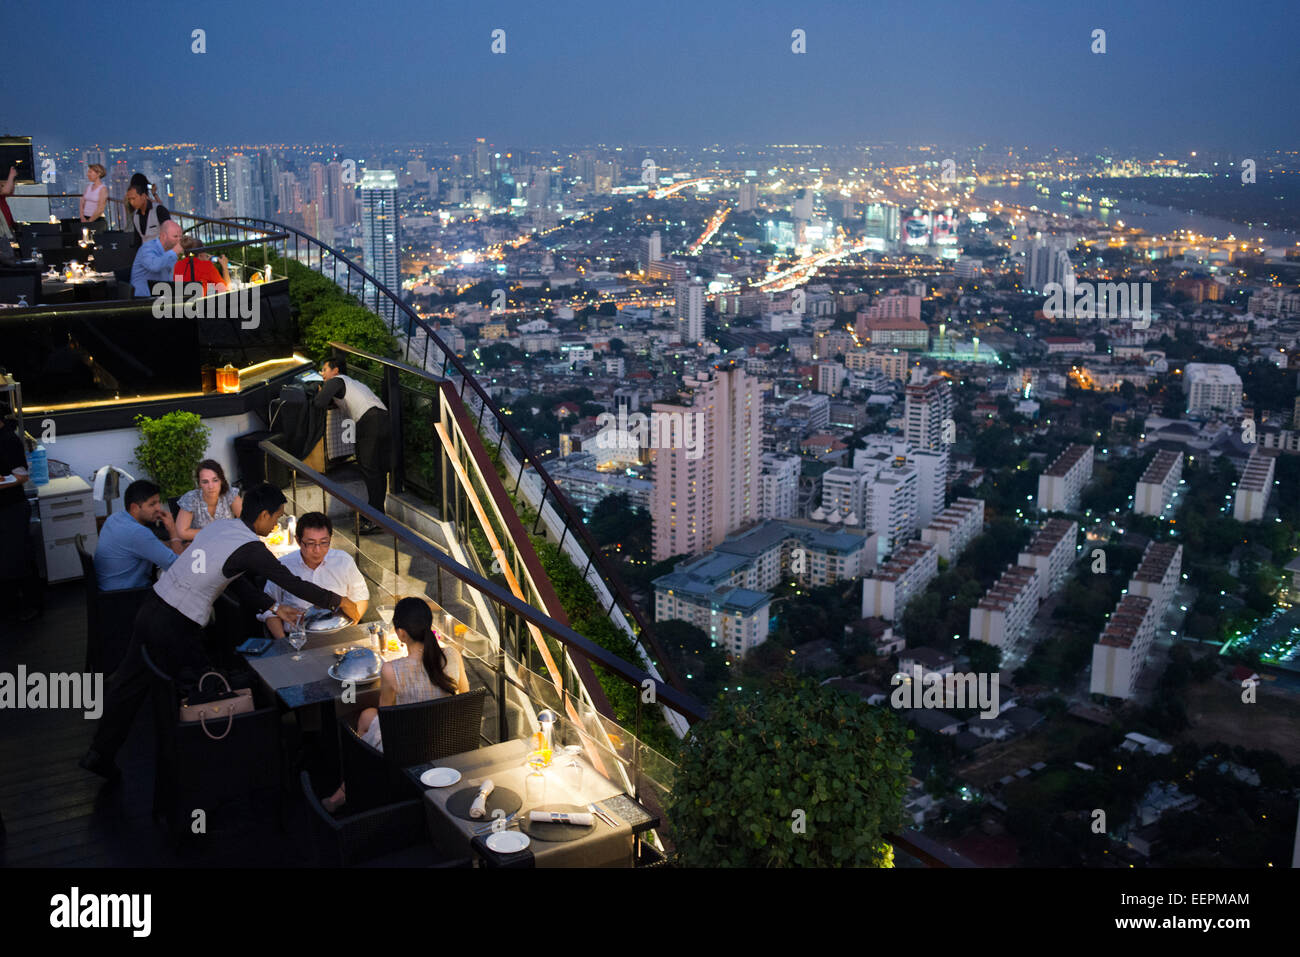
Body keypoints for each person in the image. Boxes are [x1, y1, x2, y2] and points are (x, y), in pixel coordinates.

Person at [81, 483, 363, 779]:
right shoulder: (252, 548)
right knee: (210, 690)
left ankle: (99, 752)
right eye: (277, 516)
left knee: (129, 683)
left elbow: (234, 579)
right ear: (264, 515)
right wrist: (340, 601)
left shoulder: (221, 528)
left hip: (153, 607)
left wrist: (274, 607)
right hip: (177, 623)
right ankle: (218, 760)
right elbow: (292, 582)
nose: (278, 523)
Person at [323, 597, 468, 811]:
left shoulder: (392, 670)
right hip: (447, 737)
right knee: (367, 716)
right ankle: (346, 789)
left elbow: (388, 717)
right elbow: (464, 696)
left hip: (408, 746)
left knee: (367, 718)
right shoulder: (453, 655)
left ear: (400, 634)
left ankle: (347, 789)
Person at [259, 511, 368, 638]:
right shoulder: (283, 566)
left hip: (338, 634)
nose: (317, 550)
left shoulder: (343, 560)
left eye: (324, 542)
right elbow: (269, 610)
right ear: (298, 541)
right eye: (310, 543)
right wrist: (284, 641)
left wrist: (349, 629)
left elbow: (360, 598)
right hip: (297, 636)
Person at [313, 358, 390, 533]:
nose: (322, 374)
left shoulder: (336, 381)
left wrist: (319, 391)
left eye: (324, 369)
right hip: (384, 418)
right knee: (377, 471)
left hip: (369, 421)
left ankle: (375, 518)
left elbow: (319, 402)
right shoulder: (352, 383)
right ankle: (378, 516)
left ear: (335, 370)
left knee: (369, 469)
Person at [93, 480, 185, 591]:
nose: (158, 508)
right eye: (152, 504)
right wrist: (172, 530)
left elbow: (149, 545)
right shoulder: (137, 533)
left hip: (107, 590)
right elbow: (178, 567)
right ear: (134, 508)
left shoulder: (115, 518)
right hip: (127, 596)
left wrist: (172, 544)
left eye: (158, 502)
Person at [0, 400, 38, 623]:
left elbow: (22, 476)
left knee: (16, 557)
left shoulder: (8, 441)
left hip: (12, 507)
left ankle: (28, 606)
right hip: (6, 507)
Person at [174, 459, 242, 542]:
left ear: (221, 480)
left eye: (215, 480)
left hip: (228, 542)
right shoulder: (191, 498)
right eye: (205, 482)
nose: (211, 486)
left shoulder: (229, 493)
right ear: (199, 483)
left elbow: (246, 520)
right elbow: (182, 532)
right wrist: (215, 533)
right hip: (202, 546)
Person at [129, 220, 183, 296]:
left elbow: (172, 275)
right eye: (175, 236)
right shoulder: (147, 248)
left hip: (161, 294)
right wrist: (174, 252)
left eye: (181, 237)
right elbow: (154, 266)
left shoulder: (171, 251)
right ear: (163, 236)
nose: (179, 240)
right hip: (143, 296)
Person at [125, 173, 170, 248]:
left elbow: (158, 207)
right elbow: (159, 205)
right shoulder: (140, 204)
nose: (132, 202)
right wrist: (154, 193)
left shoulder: (130, 197)